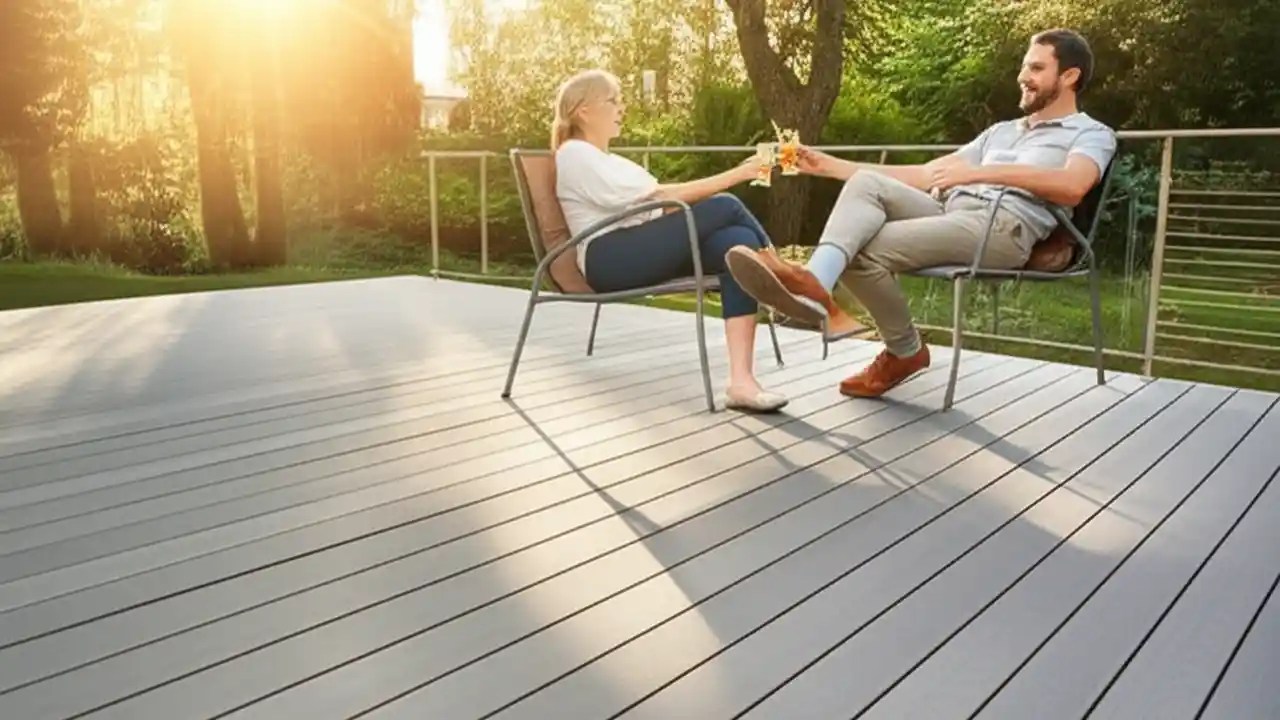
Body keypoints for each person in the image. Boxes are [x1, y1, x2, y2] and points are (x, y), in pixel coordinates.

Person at [725, 28, 1118, 399]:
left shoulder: (1090, 133)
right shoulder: (1001, 132)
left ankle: (902, 349)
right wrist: (827, 164)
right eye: (1023, 66)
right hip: (951, 210)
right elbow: (927, 174)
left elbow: (1073, 185)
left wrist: (980, 173)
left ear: (1069, 76)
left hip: (1001, 228)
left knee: (860, 249)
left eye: (1036, 68)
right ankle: (816, 283)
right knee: (865, 184)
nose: (1022, 76)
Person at [551, 69, 789, 413]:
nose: (622, 107)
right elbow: (662, 195)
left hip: (641, 249)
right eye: (612, 100)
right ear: (584, 111)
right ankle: (787, 282)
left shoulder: (611, 160)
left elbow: (660, 206)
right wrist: (740, 173)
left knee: (735, 244)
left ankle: (741, 382)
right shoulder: (574, 153)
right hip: (610, 258)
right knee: (726, 205)